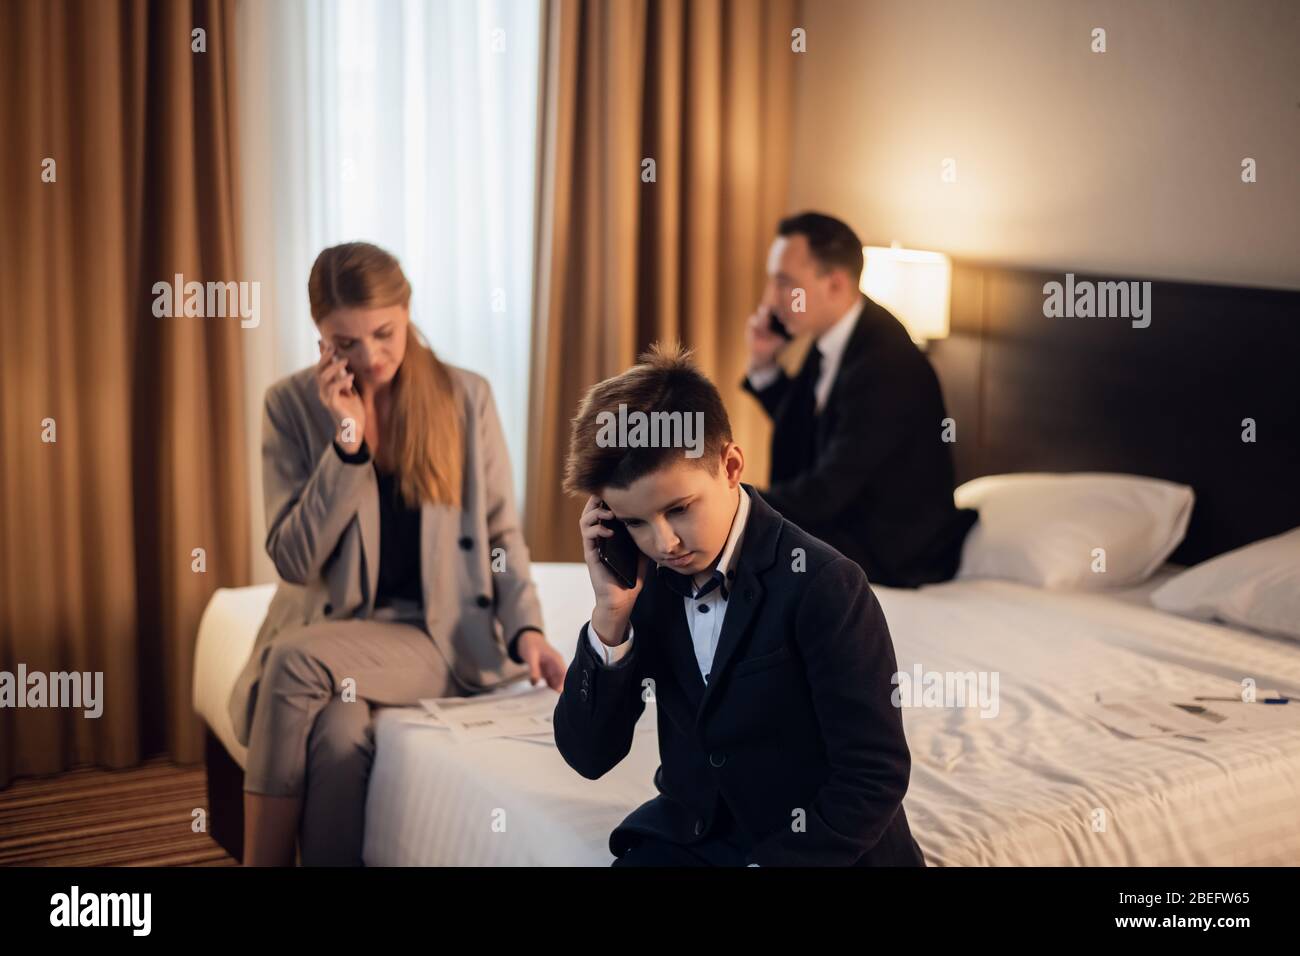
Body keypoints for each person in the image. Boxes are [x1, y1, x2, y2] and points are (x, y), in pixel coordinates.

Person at [227, 241, 567, 865]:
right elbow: (294, 560)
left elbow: (500, 536)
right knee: (337, 735)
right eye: (346, 342)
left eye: (384, 333)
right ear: (320, 336)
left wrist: (527, 631)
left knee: (294, 663)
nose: (371, 356)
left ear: (406, 310)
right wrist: (347, 443)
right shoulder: (291, 406)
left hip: (437, 637)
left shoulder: (467, 397)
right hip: (341, 634)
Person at [554, 342, 925, 866]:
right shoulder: (645, 582)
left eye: (678, 510)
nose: (664, 544)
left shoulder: (826, 586)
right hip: (698, 840)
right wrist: (611, 614)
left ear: (730, 465)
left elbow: (874, 774)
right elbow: (588, 757)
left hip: (818, 851)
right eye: (635, 522)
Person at [743, 211, 977, 587]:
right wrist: (764, 365)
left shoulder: (887, 363)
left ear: (834, 284)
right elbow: (812, 428)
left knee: (743, 550)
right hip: (844, 522)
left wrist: (735, 505)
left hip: (893, 549)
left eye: (785, 284)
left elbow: (828, 488)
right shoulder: (833, 337)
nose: (770, 299)